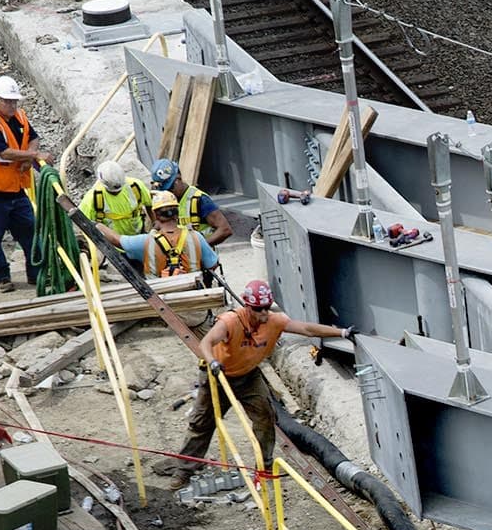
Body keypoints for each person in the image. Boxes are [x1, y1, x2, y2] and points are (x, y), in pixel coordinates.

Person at [149, 278, 356, 481]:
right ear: (247, 307)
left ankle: (264, 468)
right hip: (218, 376)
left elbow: (307, 329)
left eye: (266, 308)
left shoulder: (274, 321)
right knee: (202, 423)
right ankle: (184, 471)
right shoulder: (230, 321)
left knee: (265, 417)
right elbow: (206, 342)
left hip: (248, 377)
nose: (264, 313)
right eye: (258, 309)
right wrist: (212, 362)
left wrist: (342, 333)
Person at [0, 75, 49, 293]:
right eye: (8, 101)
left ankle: (36, 272)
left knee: (30, 230)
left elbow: (33, 137)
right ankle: (2, 276)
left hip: (15, 188)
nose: (13, 105)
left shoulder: (19, 116)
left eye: (15, 101)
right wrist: (33, 156)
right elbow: (3, 152)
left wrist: (29, 156)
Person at [95, 190, 218, 280]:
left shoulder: (145, 241)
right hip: (194, 298)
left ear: (155, 215)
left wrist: (96, 225)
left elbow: (116, 240)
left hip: (160, 300)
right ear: (177, 213)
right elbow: (212, 264)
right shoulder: (196, 237)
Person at [149, 158, 232, 247]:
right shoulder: (167, 201)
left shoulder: (200, 200)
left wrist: (198, 248)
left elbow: (225, 229)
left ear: (178, 179)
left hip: (201, 254)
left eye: (170, 188)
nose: (168, 193)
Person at [79, 161, 152, 236]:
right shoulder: (92, 198)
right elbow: (83, 223)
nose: (116, 193)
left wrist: (154, 227)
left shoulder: (135, 186)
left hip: (139, 236)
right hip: (111, 241)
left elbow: (150, 207)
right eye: (112, 191)